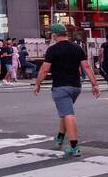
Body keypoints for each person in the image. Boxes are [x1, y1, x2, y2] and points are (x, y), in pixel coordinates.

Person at [32, 24, 100, 157]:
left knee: (68, 114)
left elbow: (44, 69)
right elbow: (86, 67)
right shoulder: (77, 48)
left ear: (54, 35)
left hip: (60, 86)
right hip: (75, 87)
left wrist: (37, 84)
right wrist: (94, 84)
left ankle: (74, 146)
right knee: (66, 110)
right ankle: (60, 137)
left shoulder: (52, 50)